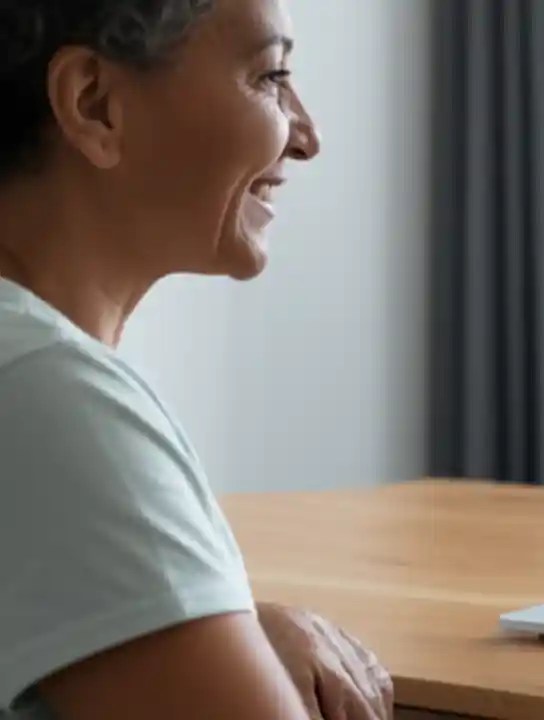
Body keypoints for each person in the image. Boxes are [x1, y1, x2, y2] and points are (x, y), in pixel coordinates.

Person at [0, 1, 393, 718]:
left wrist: (211, 625)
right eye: (270, 77)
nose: (307, 136)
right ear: (94, 104)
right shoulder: (50, 397)